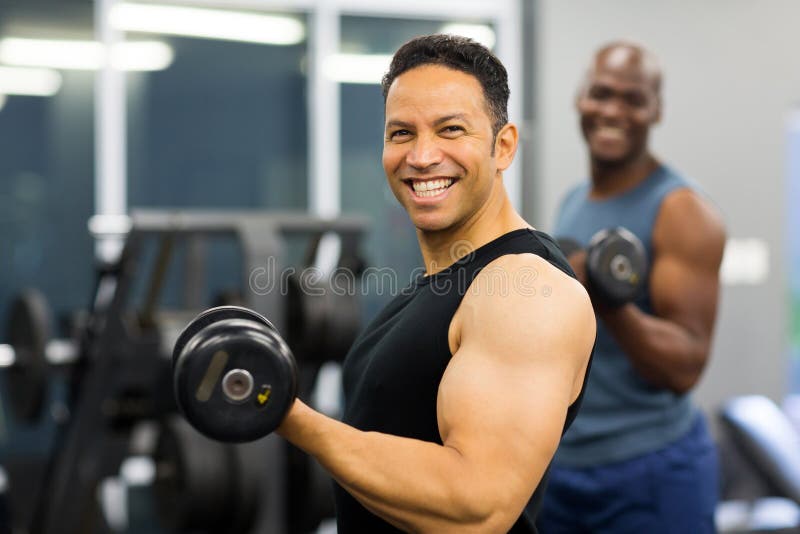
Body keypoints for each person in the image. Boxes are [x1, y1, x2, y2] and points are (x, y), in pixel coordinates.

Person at [276, 34, 595, 533]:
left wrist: (290, 417)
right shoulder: (440, 287)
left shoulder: (525, 288)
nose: (422, 156)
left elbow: (478, 506)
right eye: (401, 133)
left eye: (451, 129)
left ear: (503, 146)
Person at [537, 41, 726, 533]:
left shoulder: (682, 212)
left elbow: (685, 365)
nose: (613, 111)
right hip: (564, 466)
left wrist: (607, 298)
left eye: (633, 99)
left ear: (656, 110)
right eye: (601, 93)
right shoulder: (573, 202)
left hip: (652, 471)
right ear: (580, 98)